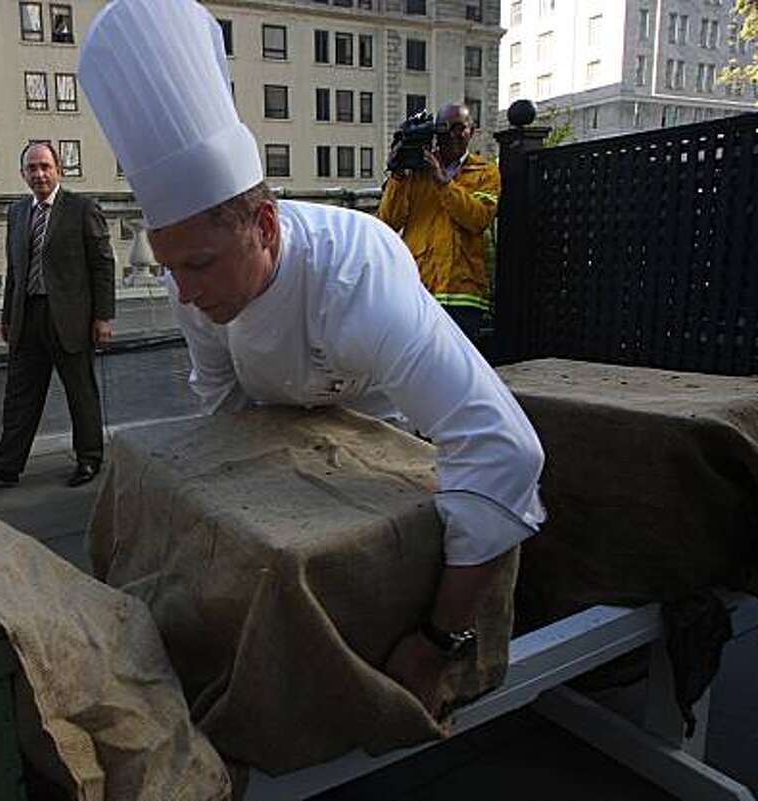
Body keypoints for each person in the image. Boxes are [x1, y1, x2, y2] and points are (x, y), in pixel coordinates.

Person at [79, 0, 544, 718]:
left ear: (264, 225)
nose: (184, 292)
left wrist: (437, 636)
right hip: (283, 441)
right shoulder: (195, 284)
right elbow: (225, 403)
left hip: (383, 442)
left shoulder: (359, 284)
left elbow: (505, 451)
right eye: (171, 268)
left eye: (199, 264)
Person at [0, 142, 116, 488]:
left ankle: (89, 459)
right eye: (32, 168)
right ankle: (6, 466)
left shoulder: (81, 208)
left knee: (81, 392)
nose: (39, 174)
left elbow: (103, 264)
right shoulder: (18, 212)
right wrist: (7, 317)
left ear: (58, 169)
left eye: (45, 166)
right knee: (19, 396)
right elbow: (15, 271)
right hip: (27, 315)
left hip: (70, 318)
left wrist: (103, 316)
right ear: (23, 174)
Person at [377, 103, 500, 343]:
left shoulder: (486, 172)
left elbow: (478, 219)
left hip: (464, 294)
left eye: (460, 128)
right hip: (420, 289)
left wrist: (444, 183)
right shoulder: (415, 174)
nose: (453, 135)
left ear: (471, 131)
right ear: (435, 132)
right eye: (446, 128)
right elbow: (388, 222)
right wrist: (398, 176)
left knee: (459, 373)